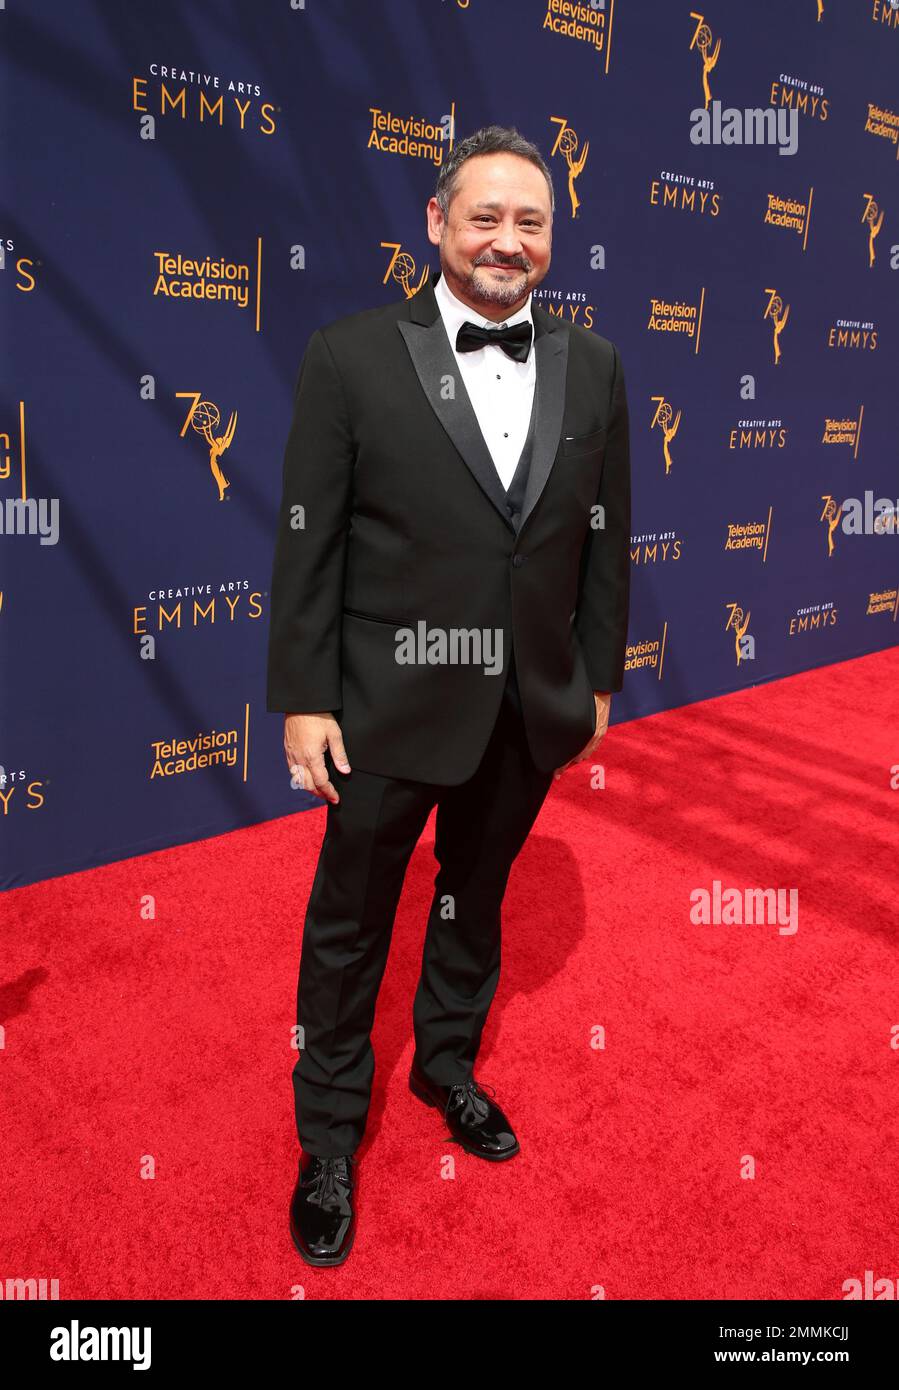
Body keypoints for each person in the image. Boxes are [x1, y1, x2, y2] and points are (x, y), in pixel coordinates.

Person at [266, 124, 631, 1267]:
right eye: (483, 216)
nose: (505, 241)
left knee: (476, 899)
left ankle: (445, 1063)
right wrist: (302, 696)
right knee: (348, 928)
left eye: (529, 222)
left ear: (552, 238)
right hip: (383, 706)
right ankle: (328, 1135)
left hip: (529, 706)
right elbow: (307, 546)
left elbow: (606, 543)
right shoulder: (349, 355)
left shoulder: (598, 364)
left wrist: (598, 680)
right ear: (435, 223)